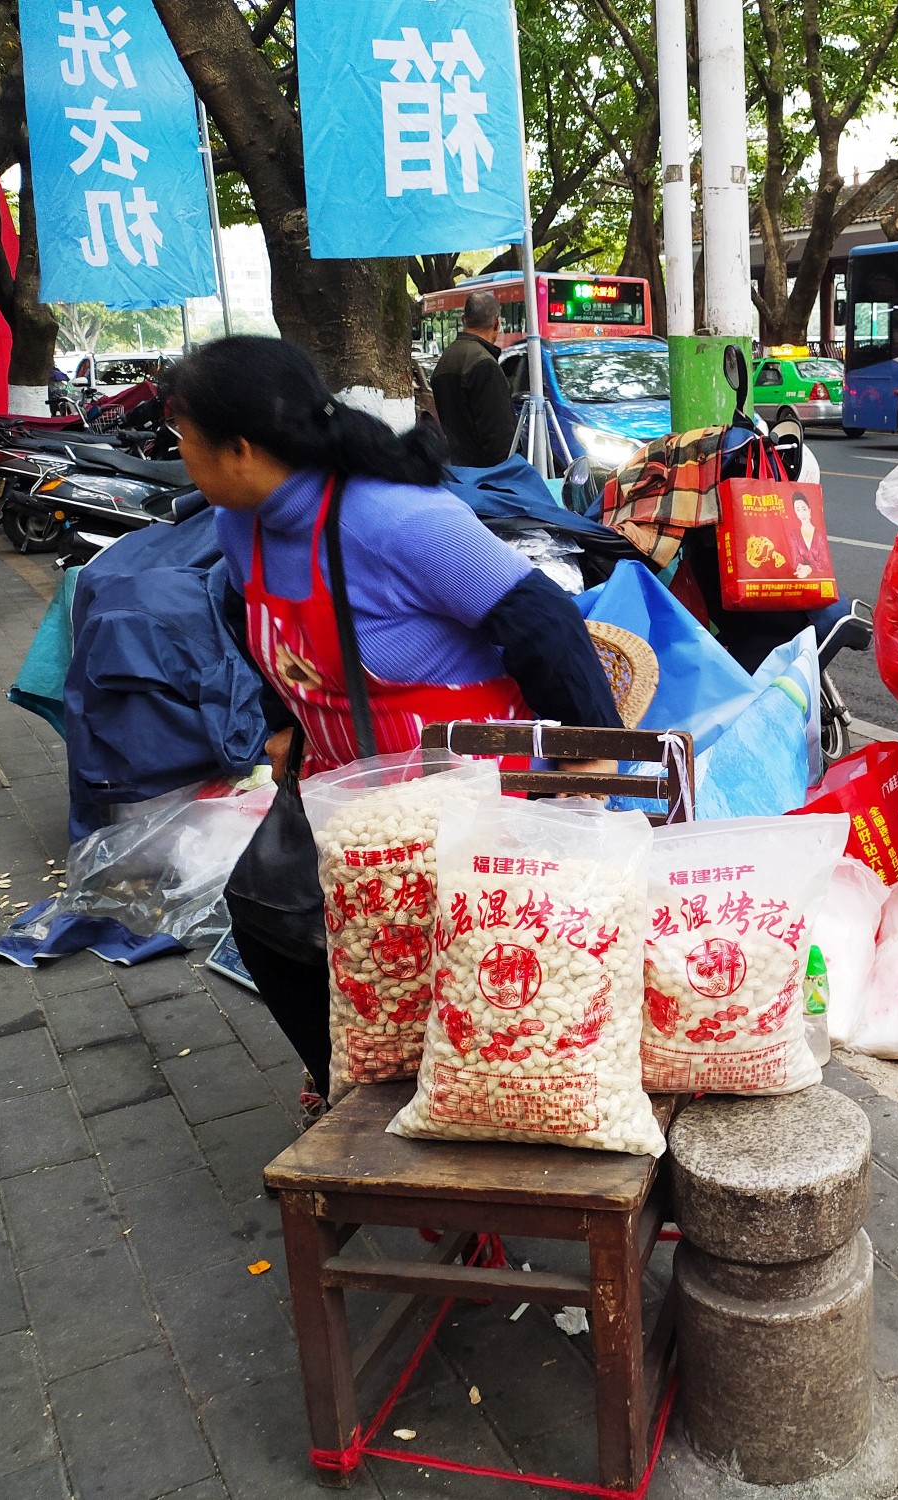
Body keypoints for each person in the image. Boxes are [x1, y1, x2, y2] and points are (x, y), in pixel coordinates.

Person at [160, 336, 621, 1101]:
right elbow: (254, 622)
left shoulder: (398, 519)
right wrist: (285, 722)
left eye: (185, 440)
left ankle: (479, 1094)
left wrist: (589, 753)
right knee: (267, 918)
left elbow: (546, 624)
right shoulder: (239, 522)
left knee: (463, 966)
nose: (180, 457)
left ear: (239, 449)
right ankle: (353, 1085)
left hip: (468, 793)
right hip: (350, 795)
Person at [429, 289, 516, 468]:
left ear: (463, 319)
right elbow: (500, 439)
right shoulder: (484, 364)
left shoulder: (448, 357)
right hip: (487, 476)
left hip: (460, 471)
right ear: (497, 323)